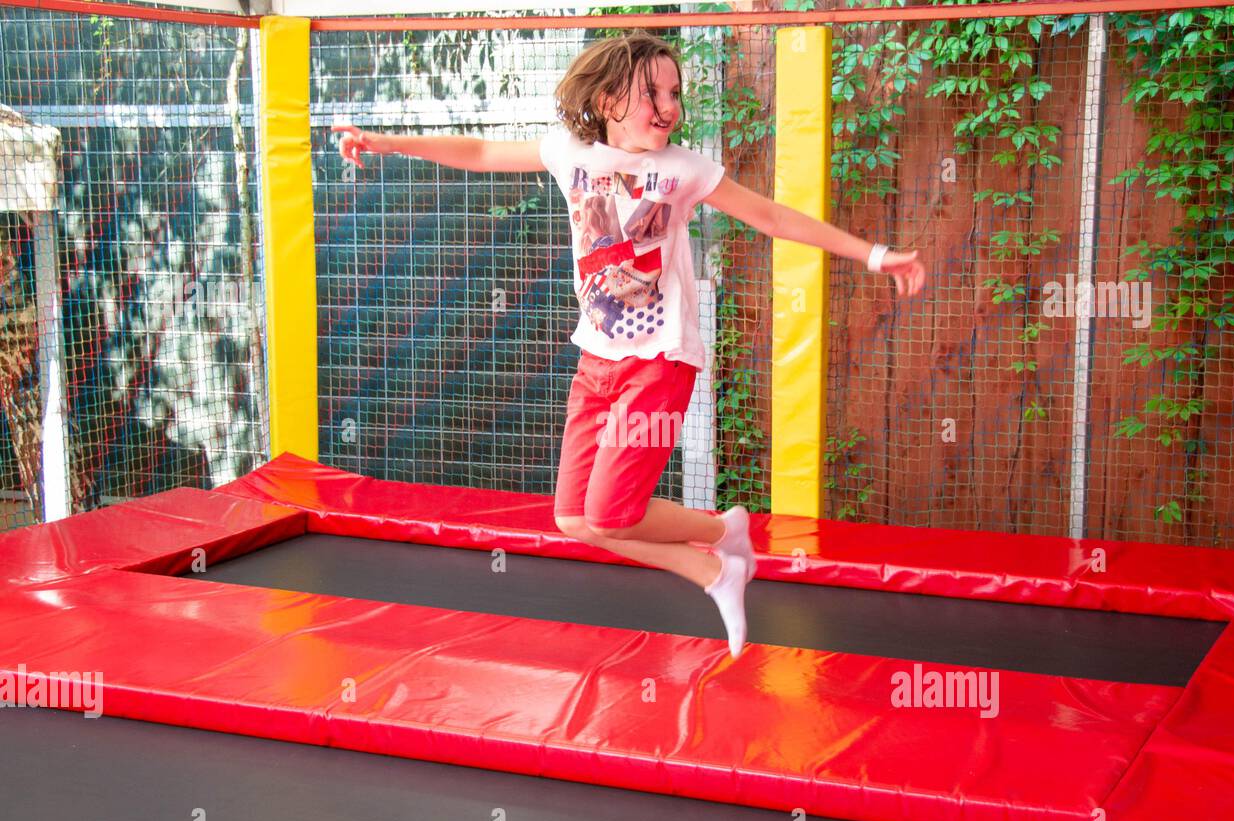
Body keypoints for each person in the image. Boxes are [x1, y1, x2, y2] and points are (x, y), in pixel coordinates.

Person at [332, 30, 925, 660]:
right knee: (572, 520)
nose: (668, 107)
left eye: (675, 94)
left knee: (613, 514)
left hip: (660, 361)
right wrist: (389, 140)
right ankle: (719, 561)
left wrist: (875, 255)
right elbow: (479, 151)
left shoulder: (685, 171)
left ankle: (722, 540)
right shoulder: (569, 152)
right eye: (652, 93)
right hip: (596, 359)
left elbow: (774, 218)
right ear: (611, 96)